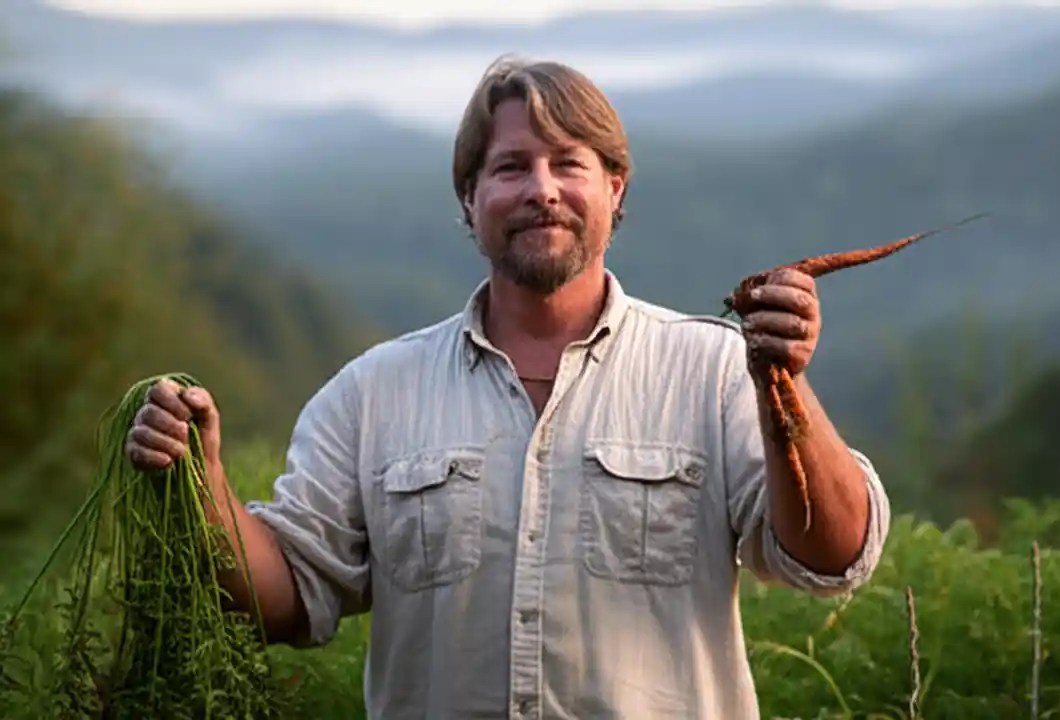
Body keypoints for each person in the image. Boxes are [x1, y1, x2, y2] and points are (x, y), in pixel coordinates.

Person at [125, 55, 891, 720]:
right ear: (470, 199)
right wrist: (203, 483)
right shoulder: (371, 395)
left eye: (569, 164)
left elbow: (832, 558)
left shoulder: (716, 371)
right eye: (511, 167)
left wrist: (784, 386)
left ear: (616, 189)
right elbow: (285, 599)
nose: (542, 189)